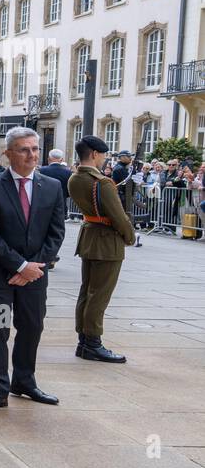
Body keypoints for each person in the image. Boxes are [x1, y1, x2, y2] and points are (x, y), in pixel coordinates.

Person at [0, 126, 67, 412]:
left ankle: (24, 381)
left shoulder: (51, 187)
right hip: (0, 274)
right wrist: (20, 265)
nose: (32, 155)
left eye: (35, 149)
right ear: (9, 153)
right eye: (24, 149)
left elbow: (56, 232)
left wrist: (34, 266)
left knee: (32, 326)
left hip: (35, 275)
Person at [69, 135, 136, 362]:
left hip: (89, 236)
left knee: (86, 292)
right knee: (100, 295)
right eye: (104, 155)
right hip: (107, 241)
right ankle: (93, 343)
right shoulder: (101, 182)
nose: (105, 159)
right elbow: (118, 216)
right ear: (95, 154)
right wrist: (130, 236)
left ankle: (83, 341)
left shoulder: (75, 178)